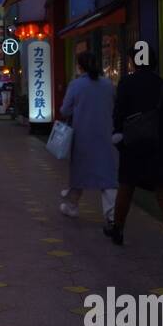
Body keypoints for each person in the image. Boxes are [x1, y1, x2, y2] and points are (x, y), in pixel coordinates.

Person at [109, 46, 163, 262]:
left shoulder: (126, 83)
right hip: (159, 148)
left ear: (135, 61)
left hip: (132, 146)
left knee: (126, 188)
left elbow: (118, 114)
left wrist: (120, 135)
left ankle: (118, 230)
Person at [58, 52, 118, 229]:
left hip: (82, 136)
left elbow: (65, 110)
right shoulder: (108, 85)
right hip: (106, 134)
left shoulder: (76, 85)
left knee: (79, 173)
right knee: (107, 176)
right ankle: (111, 215)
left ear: (80, 66)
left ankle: (72, 206)